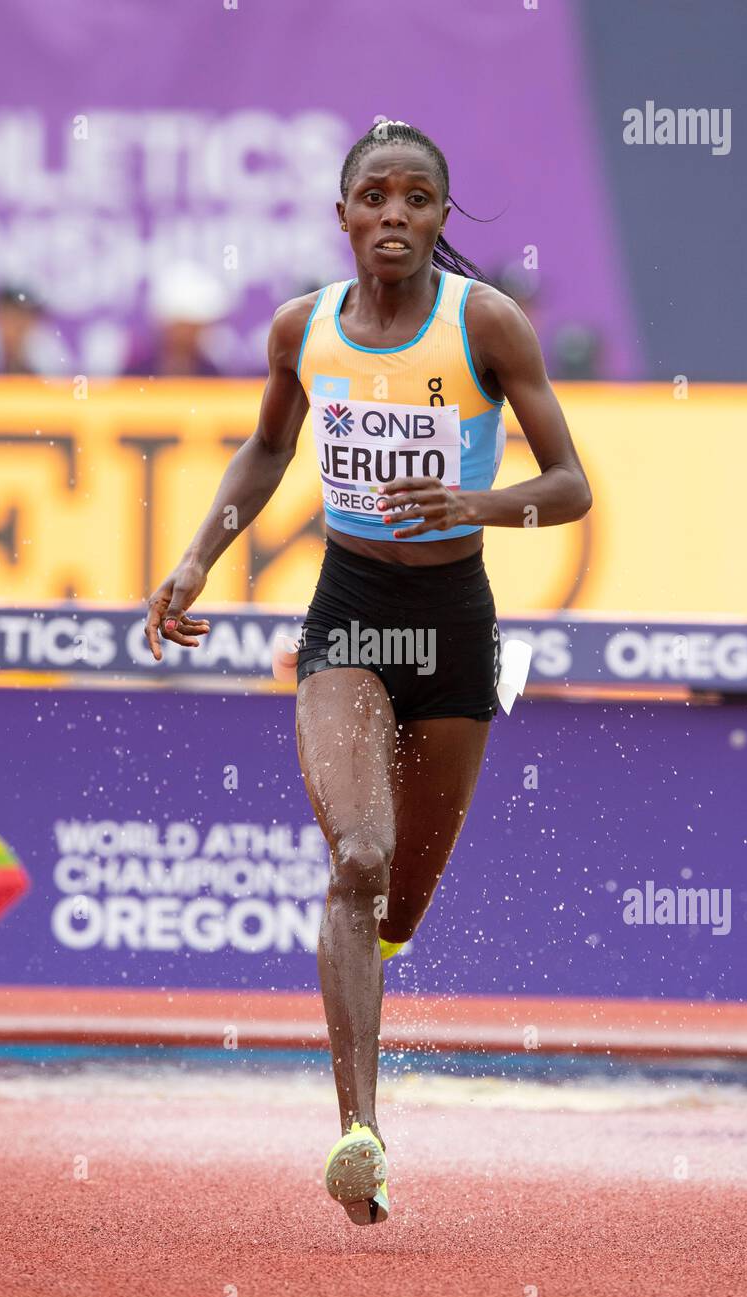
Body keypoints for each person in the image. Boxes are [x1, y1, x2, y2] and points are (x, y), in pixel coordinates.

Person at [144, 116, 591, 1225]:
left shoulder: (483, 324)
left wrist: (476, 503)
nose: (393, 216)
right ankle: (359, 1132)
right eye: (374, 197)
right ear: (342, 215)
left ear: (440, 217)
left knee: (400, 905)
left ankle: (375, 970)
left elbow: (572, 485)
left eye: (416, 199)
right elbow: (264, 447)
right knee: (357, 853)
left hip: (452, 623)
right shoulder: (302, 328)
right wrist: (197, 556)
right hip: (347, 615)